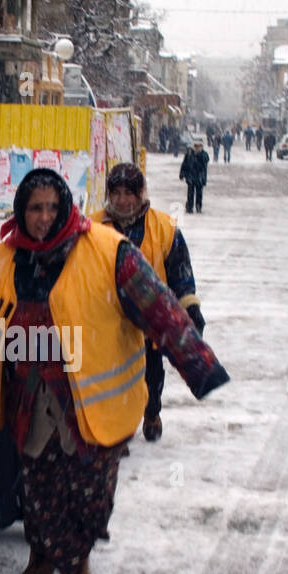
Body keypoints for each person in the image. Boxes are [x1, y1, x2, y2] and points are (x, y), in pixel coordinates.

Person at [0, 168, 229, 574]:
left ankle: (76, 563)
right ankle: (42, 552)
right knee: (38, 486)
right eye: (35, 208)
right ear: (21, 210)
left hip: (92, 403)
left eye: (53, 207)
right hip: (31, 398)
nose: (43, 217)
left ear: (67, 208)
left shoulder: (110, 251)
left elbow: (160, 309)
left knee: (89, 492)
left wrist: (198, 364)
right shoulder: (3, 257)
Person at [89, 163, 206, 443]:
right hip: (109, 321)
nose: (121, 199)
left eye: (129, 192)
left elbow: (180, 273)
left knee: (151, 380)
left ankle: (151, 412)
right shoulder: (91, 226)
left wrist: (189, 307)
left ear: (141, 193)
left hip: (149, 321)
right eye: (115, 193)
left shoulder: (165, 229)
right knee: (112, 379)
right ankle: (118, 428)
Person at [179, 139, 209, 212]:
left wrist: (198, 157)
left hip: (200, 177)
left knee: (199, 193)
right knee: (190, 193)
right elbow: (184, 164)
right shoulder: (189, 154)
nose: (197, 148)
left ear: (201, 147)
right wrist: (182, 174)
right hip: (190, 176)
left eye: (199, 146)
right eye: (196, 146)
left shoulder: (204, 154)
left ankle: (198, 206)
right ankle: (189, 207)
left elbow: (205, 164)